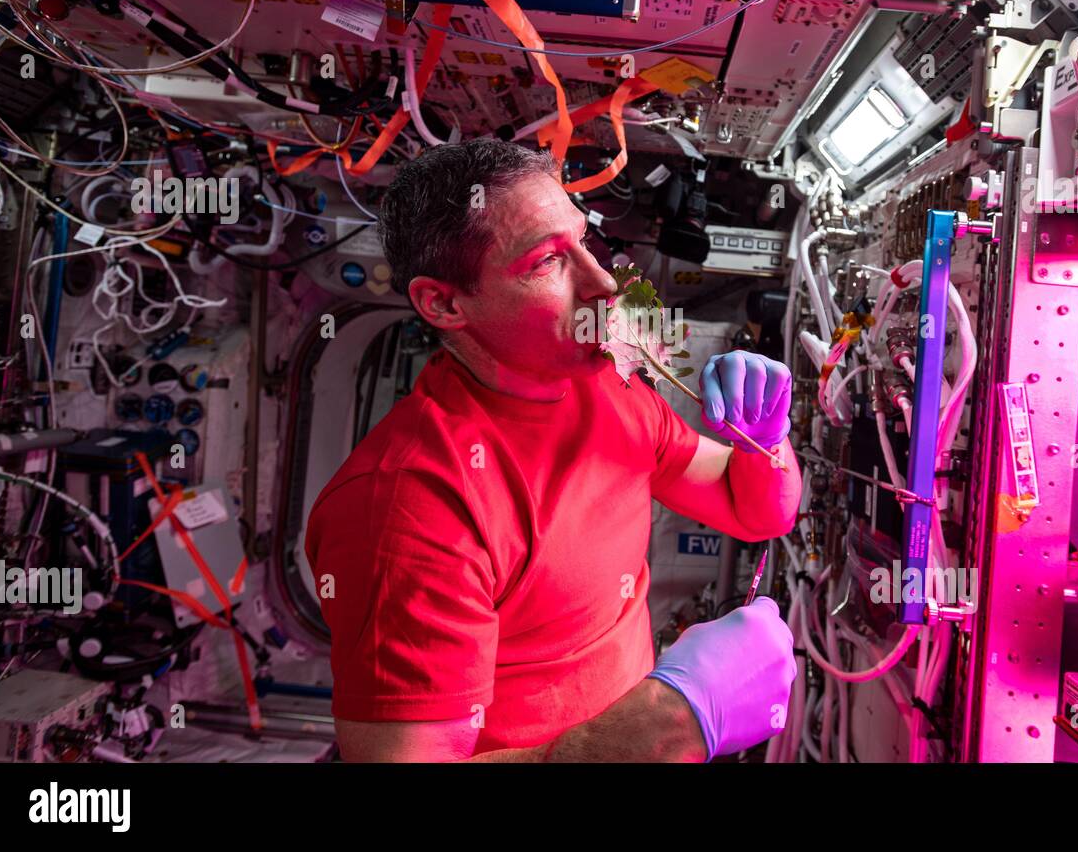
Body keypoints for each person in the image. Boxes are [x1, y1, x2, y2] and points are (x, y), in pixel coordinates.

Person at [305, 138, 802, 761]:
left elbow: (753, 507)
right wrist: (672, 721)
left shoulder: (607, 392)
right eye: (545, 262)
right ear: (444, 303)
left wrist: (766, 440)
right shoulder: (408, 508)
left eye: (584, 242)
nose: (603, 286)